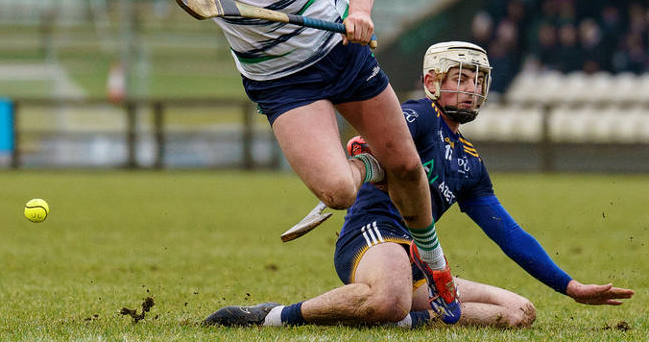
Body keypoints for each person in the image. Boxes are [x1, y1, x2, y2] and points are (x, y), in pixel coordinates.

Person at [83, 0, 460, 314]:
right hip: (278, 79)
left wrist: (360, 11)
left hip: (340, 50)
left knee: (406, 167)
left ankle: (435, 262)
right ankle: (363, 165)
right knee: (339, 193)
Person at [204, 41, 634, 329]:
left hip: (419, 262)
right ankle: (271, 316)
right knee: (387, 298)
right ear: (433, 83)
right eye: (460, 79)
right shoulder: (418, 114)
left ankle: (402, 319)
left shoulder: (470, 162)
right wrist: (362, 155)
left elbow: (508, 232)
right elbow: (376, 141)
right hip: (374, 238)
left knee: (520, 312)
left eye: (477, 81)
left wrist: (570, 286)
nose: (471, 90)